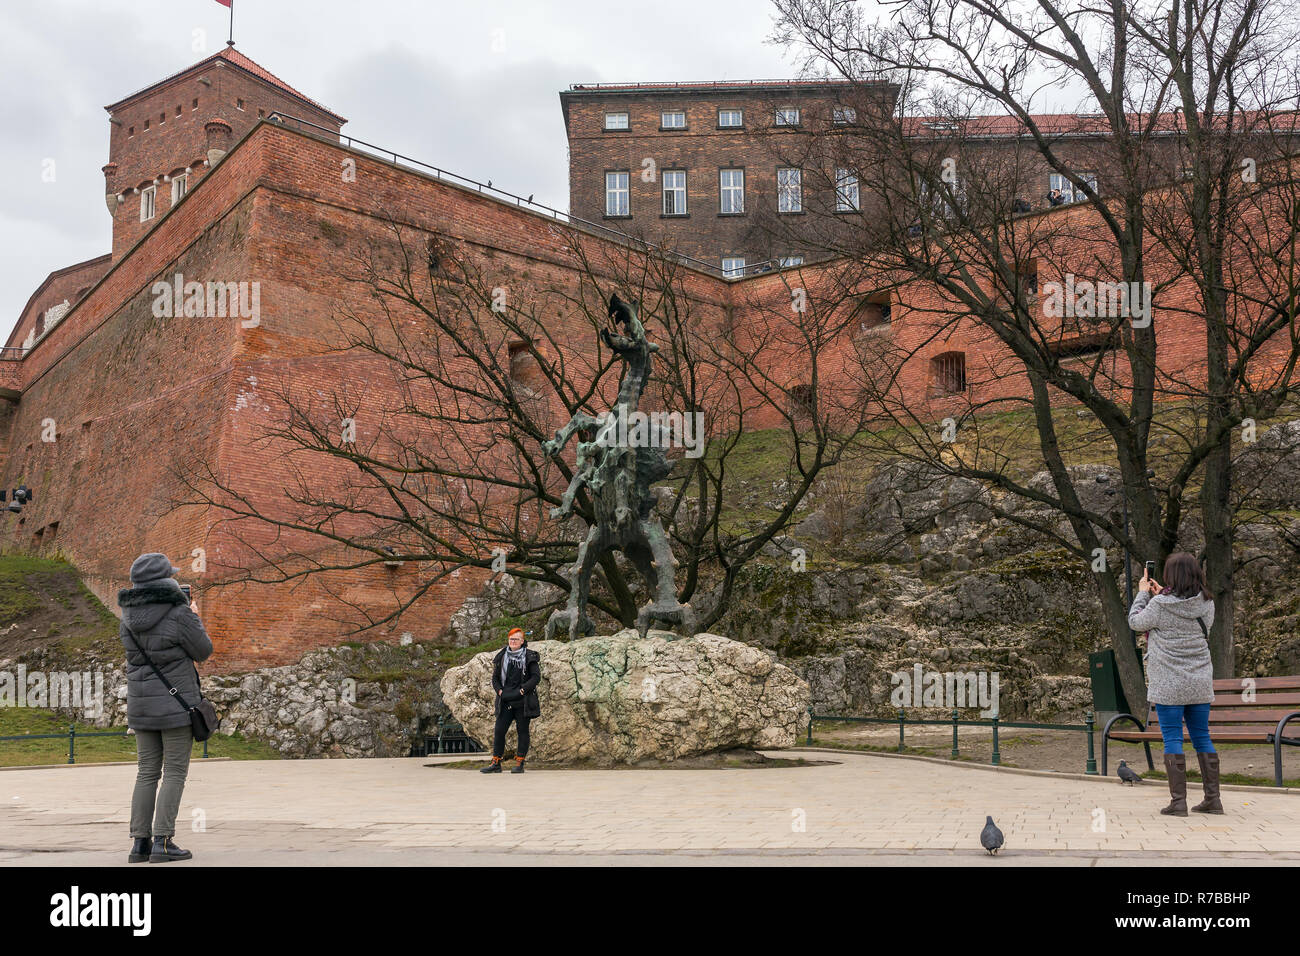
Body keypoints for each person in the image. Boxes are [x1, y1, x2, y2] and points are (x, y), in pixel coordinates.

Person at [120, 553, 213, 862]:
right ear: (164, 580)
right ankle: (163, 841)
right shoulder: (179, 613)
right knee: (173, 772)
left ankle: (139, 845)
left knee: (146, 772)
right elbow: (203, 651)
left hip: (141, 706)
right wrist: (194, 617)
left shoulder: (128, 618)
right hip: (176, 705)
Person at [1127, 552, 1221, 816]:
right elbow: (1191, 625)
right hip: (1199, 681)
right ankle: (1213, 800)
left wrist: (1144, 593)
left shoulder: (1159, 606)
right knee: (1202, 736)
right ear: (1195, 574)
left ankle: (1178, 803)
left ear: (1170, 576)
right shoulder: (1207, 602)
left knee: (1172, 738)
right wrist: (1160, 597)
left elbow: (1136, 621)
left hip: (1169, 684)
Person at [481, 627, 540, 774]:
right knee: (499, 731)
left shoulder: (529, 656)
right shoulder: (501, 656)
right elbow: (495, 678)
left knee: (522, 731)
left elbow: (535, 677)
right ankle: (496, 762)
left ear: (522, 641)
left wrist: (522, 689)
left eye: (516, 639)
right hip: (505, 700)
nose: (513, 641)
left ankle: (519, 763)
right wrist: (499, 691)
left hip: (522, 701)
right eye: (511, 639)